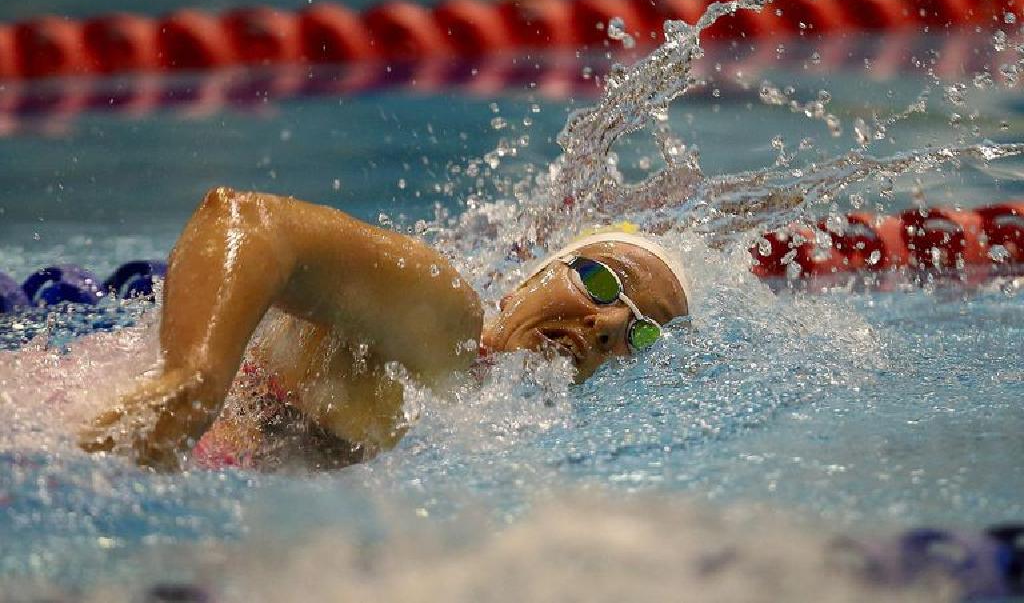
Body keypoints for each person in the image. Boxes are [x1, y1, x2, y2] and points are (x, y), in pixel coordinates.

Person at [78, 187, 690, 471]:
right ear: (530, 277)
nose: (610, 324)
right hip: (66, 438)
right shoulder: (443, 319)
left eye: (641, 333)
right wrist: (195, 375)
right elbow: (248, 221)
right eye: (604, 281)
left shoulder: (478, 419)